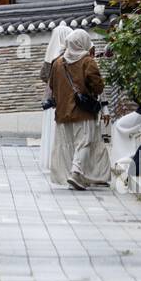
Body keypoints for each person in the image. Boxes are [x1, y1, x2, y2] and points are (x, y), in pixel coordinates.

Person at [47, 28, 111, 190]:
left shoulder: (57, 63)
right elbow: (98, 87)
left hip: (62, 113)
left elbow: (52, 86)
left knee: (69, 145)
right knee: (84, 143)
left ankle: (77, 174)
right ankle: (76, 173)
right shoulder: (87, 61)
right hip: (83, 112)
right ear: (83, 42)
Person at [38, 23, 72, 176]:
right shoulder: (67, 57)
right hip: (63, 99)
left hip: (50, 99)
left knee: (51, 130)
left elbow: (43, 75)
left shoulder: (51, 56)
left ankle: (52, 161)